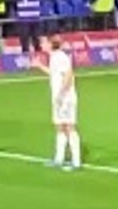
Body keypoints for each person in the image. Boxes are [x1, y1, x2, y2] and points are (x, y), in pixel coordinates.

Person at [35, 35, 82, 171]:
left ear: (50, 44)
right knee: (60, 127)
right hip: (58, 98)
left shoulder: (61, 57)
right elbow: (54, 74)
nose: (41, 45)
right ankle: (59, 159)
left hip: (65, 98)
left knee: (69, 127)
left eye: (43, 42)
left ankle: (76, 161)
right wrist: (39, 66)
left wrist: (61, 94)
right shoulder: (54, 57)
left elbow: (68, 75)